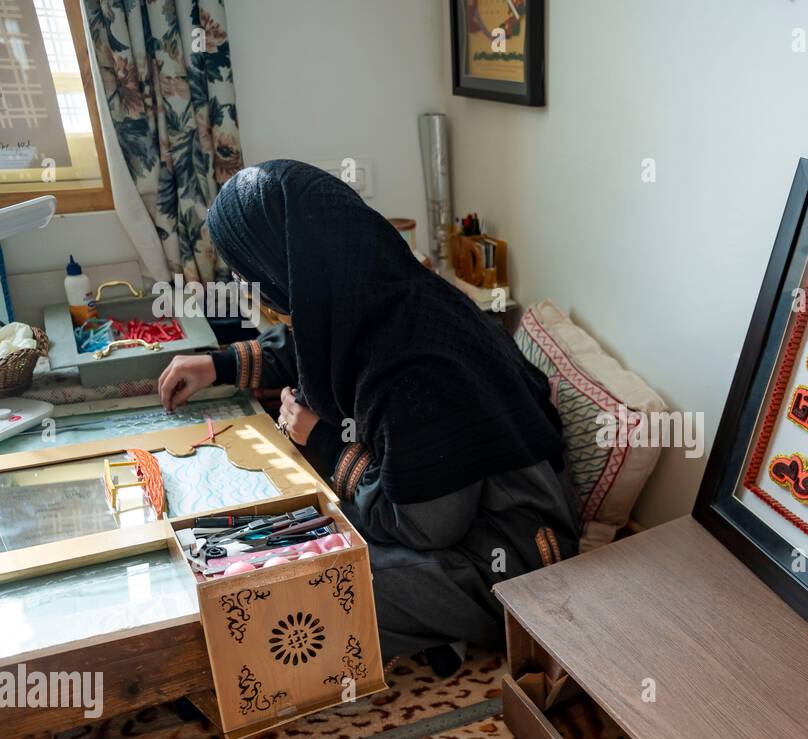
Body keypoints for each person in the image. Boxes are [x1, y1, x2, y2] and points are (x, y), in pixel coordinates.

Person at [158, 159, 577, 676]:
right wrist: (218, 363)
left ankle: (446, 629)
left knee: (280, 590)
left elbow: (426, 526)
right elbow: (319, 344)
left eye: (246, 271)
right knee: (277, 532)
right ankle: (434, 632)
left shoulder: (413, 364)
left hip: (515, 563)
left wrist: (326, 444)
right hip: (466, 519)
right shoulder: (383, 290)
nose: (248, 285)